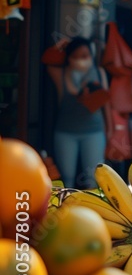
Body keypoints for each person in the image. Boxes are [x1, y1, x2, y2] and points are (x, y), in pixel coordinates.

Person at [47, 37, 110, 188]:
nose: (81, 60)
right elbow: (47, 61)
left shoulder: (99, 73)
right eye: (76, 56)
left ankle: (92, 210)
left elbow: (106, 105)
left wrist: (111, 129)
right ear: (69, 58)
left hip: (94, 132)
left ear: (91, 56)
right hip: (66, 132)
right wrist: (59, 45)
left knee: (94, 178)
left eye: (85, 56)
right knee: (65, 177)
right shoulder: (61, 75)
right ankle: (64, 208)